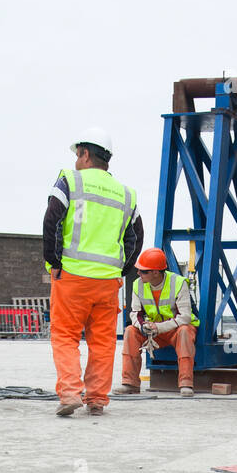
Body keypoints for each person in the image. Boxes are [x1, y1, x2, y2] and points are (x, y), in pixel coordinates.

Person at [42, 127, 143, 417]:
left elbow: (52, 222)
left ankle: (71, 393)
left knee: (65, 337)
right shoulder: (126, 193)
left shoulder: (70, 182)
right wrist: (121, 270)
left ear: (85, 154)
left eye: (77, 154)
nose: (75, 160)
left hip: (72, 277)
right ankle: (97, 398)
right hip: (108, 282)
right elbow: (135, 237)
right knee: (102, 341)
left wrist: (54, 262)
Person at [118, 249, 198, 396]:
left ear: (156, 272)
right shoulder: (138, 285)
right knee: (130, 331)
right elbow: (135, 313)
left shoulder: (178, 283)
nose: (138, 274)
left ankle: (186, 384)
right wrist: (143, 327)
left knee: (185, 331)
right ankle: (130, 383)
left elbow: (185, 317)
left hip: (175, 330)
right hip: (152, 332)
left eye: (143, 271)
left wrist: (159, 327)